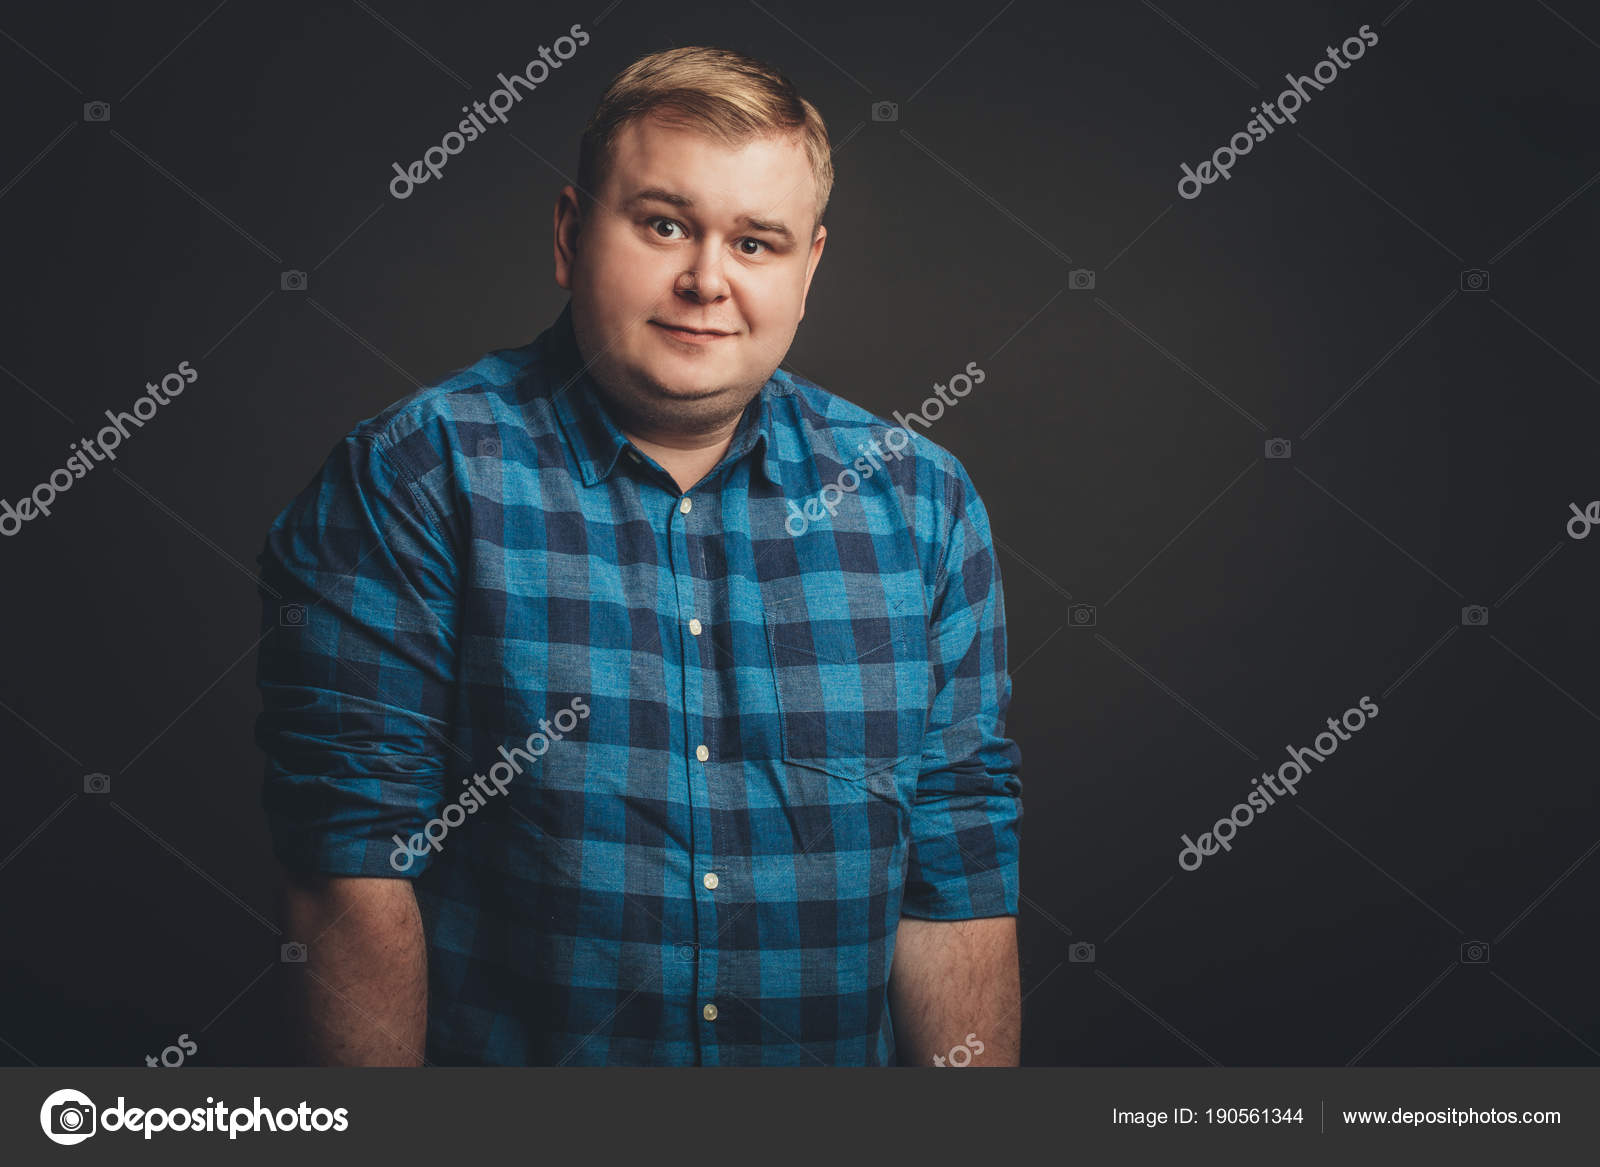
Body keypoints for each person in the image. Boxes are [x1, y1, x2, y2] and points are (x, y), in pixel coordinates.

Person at [256, 44, 1023, 1066]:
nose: (706, 279)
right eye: (664, 225)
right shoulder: (412, 479)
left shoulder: (922, 502)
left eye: (756, 243)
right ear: (572, 235)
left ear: (808, 270)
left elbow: (957, 868)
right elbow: (349, 871)